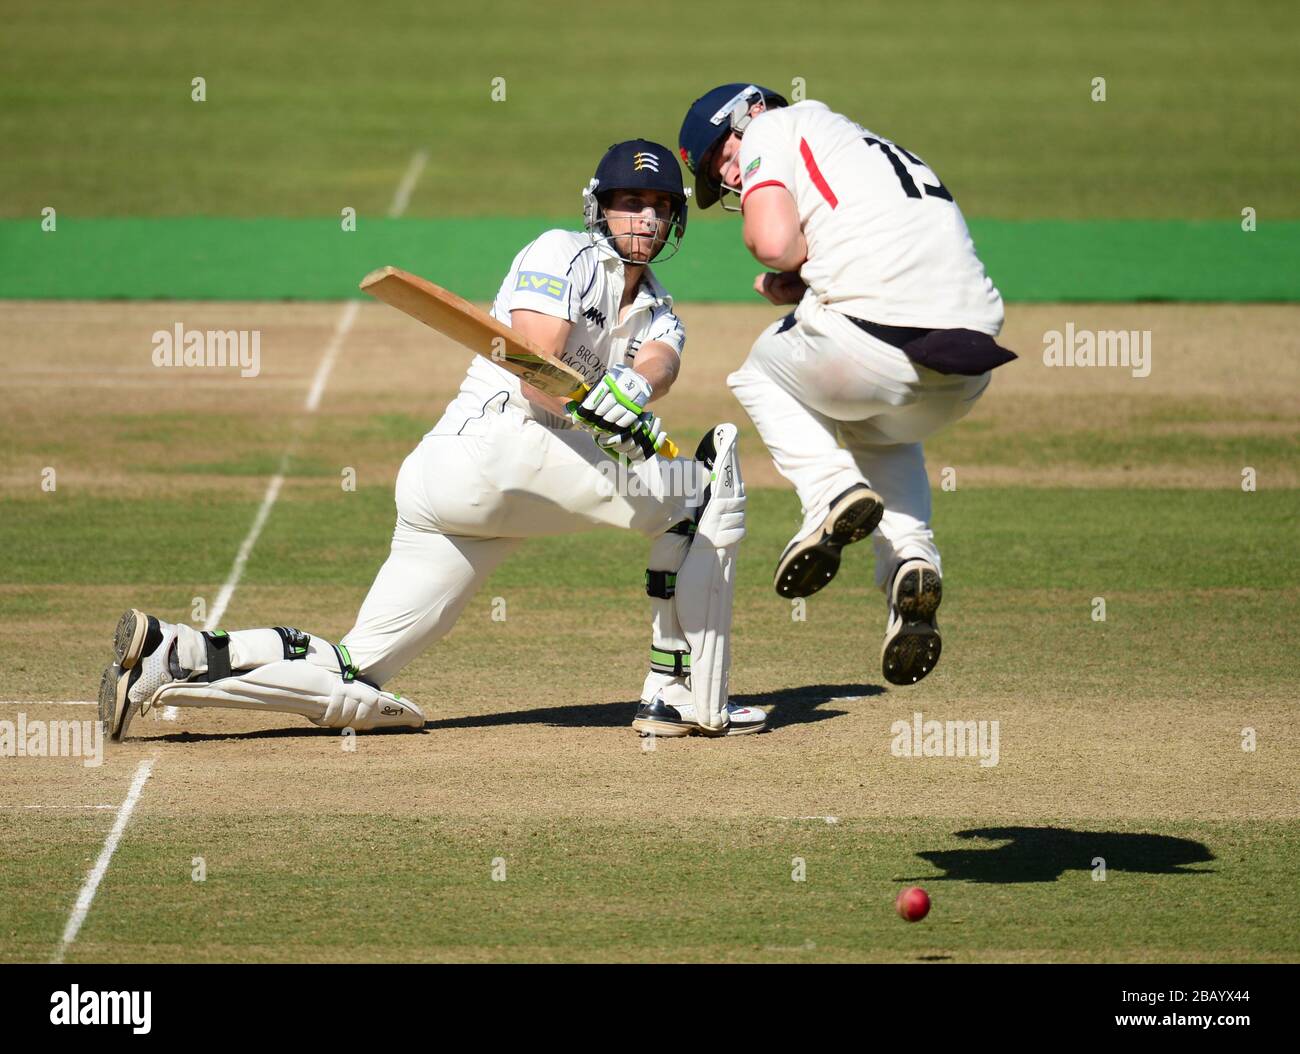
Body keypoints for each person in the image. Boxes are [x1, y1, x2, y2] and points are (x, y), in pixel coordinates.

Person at [99, 138, 762, 741]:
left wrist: (636, 390)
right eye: (630, 203)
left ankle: (171, 658)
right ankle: (676, 692)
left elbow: (661, 361)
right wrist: (597, 404)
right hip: (494, 448)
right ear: (601, 209)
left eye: (659, 207)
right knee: (702, 495)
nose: (644, 219)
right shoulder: (561, 252)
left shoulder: (662, 311)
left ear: (673, 220)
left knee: (355, 675)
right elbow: (536, 372)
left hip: (482, 501)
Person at [678, 85, 1015, 686]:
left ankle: (830, 494)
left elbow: (773, 242)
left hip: (876, 347)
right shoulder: (865, 145)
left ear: (747, 114)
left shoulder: (770, 131)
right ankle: (911, 560)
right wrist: (808, 285)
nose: (729, 178)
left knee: (758, 372)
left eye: (721, 158)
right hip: (967, 370)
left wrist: (788, 267)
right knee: (873, 428)